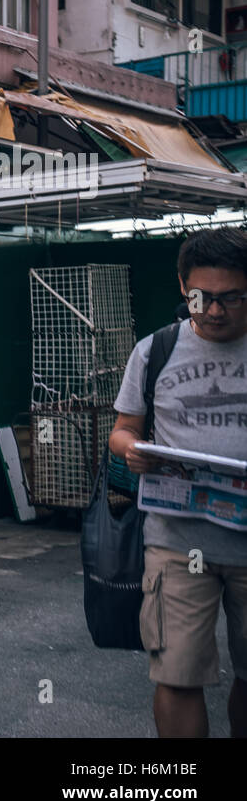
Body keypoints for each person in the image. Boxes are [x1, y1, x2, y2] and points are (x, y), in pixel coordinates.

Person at [109, 227, 247, 738]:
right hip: (175, 542)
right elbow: (123, 430)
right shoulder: (155, 351)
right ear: (183, 284)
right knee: (177, 676)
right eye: (200, 297)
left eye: (231, 298)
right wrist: (133, 450)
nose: (213, 311)